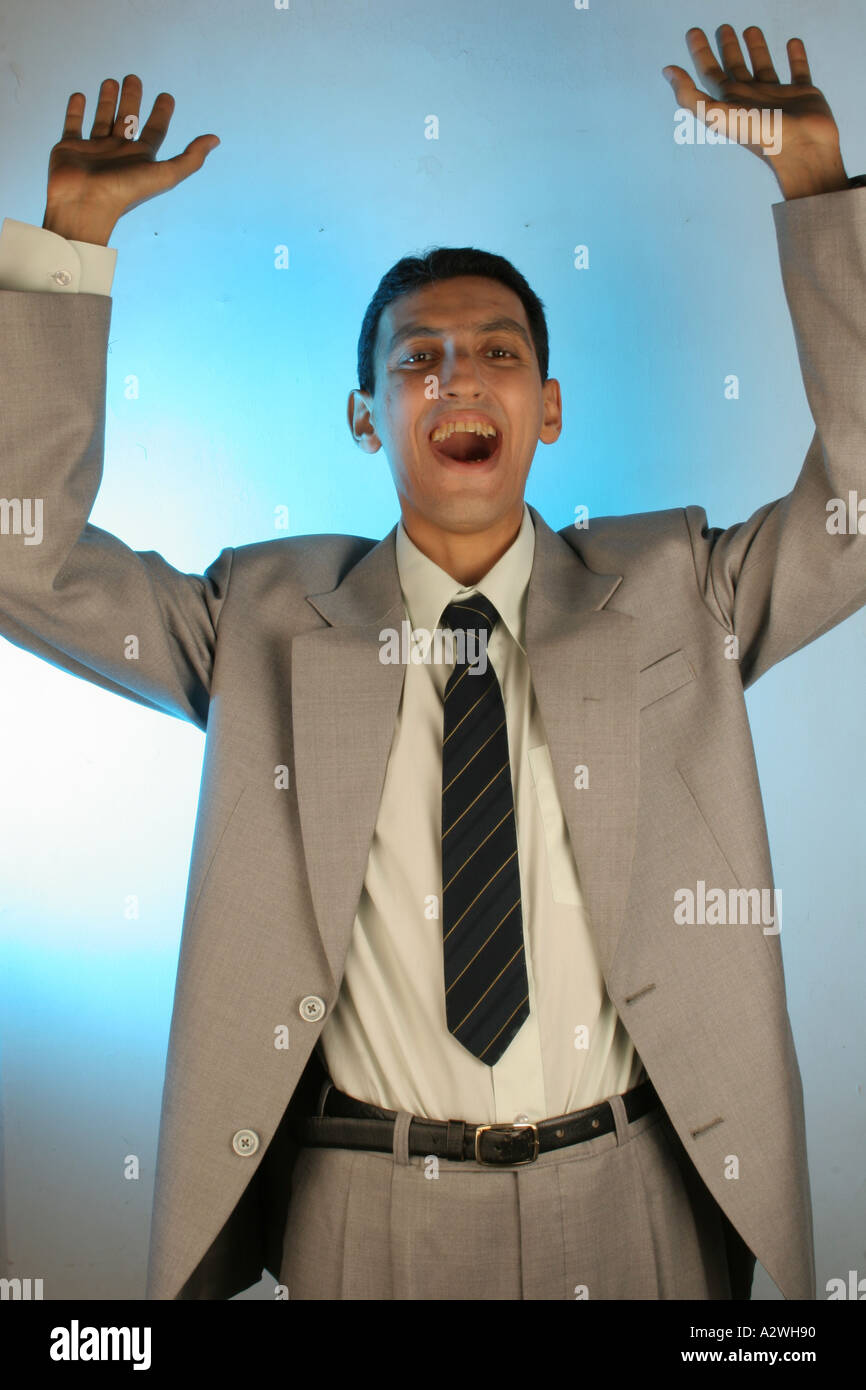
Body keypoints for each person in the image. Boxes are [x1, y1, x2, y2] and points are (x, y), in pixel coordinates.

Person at [0, 23, 863, 1300]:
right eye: (417, 359)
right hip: (367, 1211)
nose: (459, 376)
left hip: (636, 1203)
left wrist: (817, 192)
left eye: (498, 352)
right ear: (368, 415)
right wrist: (68, 256)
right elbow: (27, 562)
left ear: (548, 406)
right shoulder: (266, 617)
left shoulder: (684, 588)